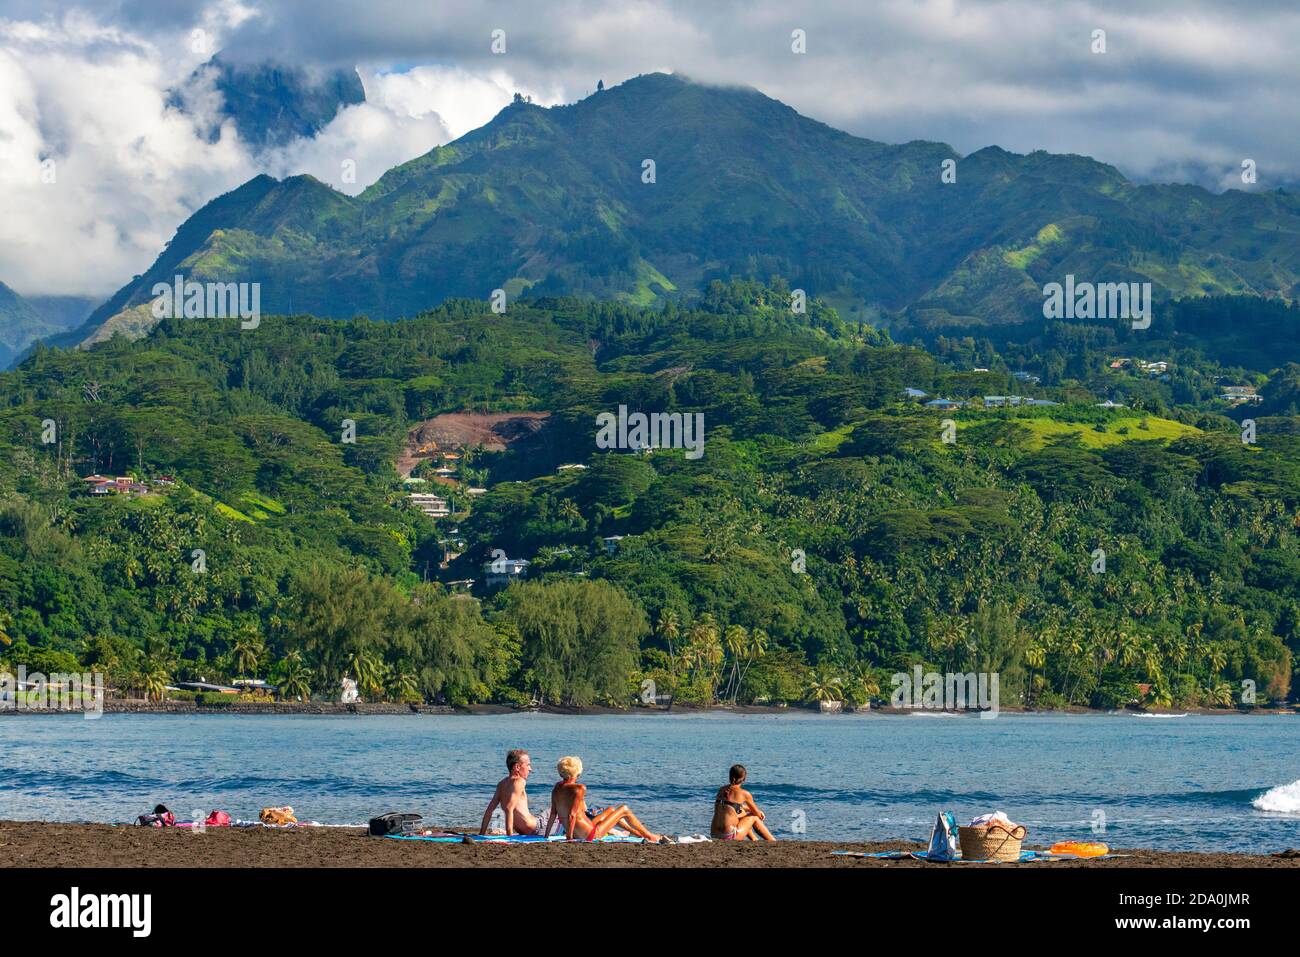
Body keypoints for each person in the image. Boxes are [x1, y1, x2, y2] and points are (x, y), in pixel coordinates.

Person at [545, 756, 670, 844]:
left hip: (582, 830)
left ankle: (637, 834)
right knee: (624, 809)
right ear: (577, 772)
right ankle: (649, 836)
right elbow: (572, 815)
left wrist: (546, 836)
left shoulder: (557, 788)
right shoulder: (579, 788)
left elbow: (553, 814)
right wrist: (569, 838)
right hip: (590, 834)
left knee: (611, 810)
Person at [480, 748, 546, 835]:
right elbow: (509, 808)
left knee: (548, 813)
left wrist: (481, 834)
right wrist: (510, 836)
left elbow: (489, 810)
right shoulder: (520, 781)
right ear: (517, 767)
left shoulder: (501, 784)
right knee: (555, 813)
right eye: (528, 765)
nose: (530, 769)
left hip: (526, 828)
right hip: (537, 828)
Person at [711, 764, 775, 841]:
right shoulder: (744, 794)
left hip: (714, 834)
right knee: (754, 817)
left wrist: (748, 810)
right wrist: (759, 812)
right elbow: (757, 814)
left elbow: (731, 806)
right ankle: (773, 841)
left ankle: (754, 839)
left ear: (730, 777)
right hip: (729, 836)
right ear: (744, 779)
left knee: (741, 813)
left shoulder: (721, 790)